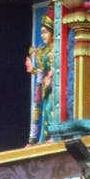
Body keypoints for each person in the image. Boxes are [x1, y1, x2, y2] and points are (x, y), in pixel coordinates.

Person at [25, 12, 54, 143]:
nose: (43, 36)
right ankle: (46, 137)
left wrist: (51, 76)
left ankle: (53, 135)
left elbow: (55, 66)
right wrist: (33, 70)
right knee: (45, 109)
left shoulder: (55, 49)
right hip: (46, 86)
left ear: (53, 32)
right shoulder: (43, 51)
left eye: (45, 32)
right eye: (41, 33)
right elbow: (41, 70)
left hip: (54, 85)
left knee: (49, 109)